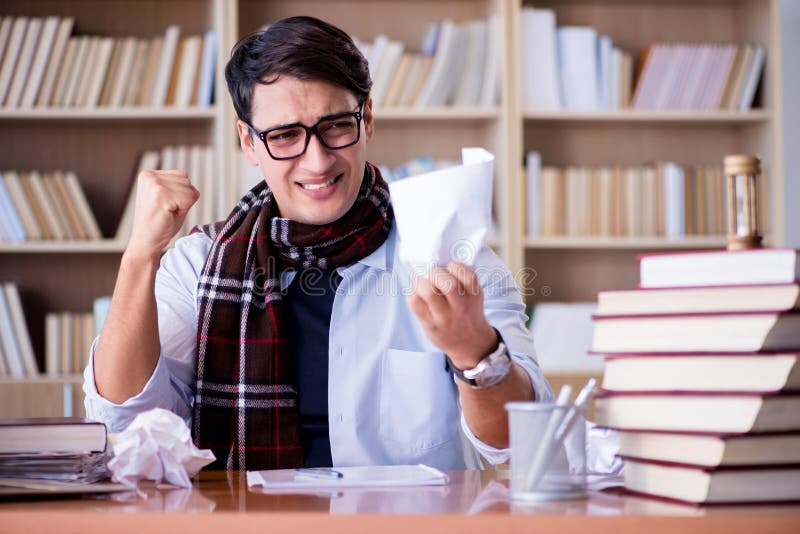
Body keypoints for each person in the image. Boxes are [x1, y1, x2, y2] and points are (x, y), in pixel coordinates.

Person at [84, 16, 553, 471]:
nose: (317, 161)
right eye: (286, 135)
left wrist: (477, 354)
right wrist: (139, 256)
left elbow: (518, 444)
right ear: (248, 142)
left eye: (335, 127)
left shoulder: (454, 259)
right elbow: (123, 420)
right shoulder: (198, 264)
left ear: (366, 119)